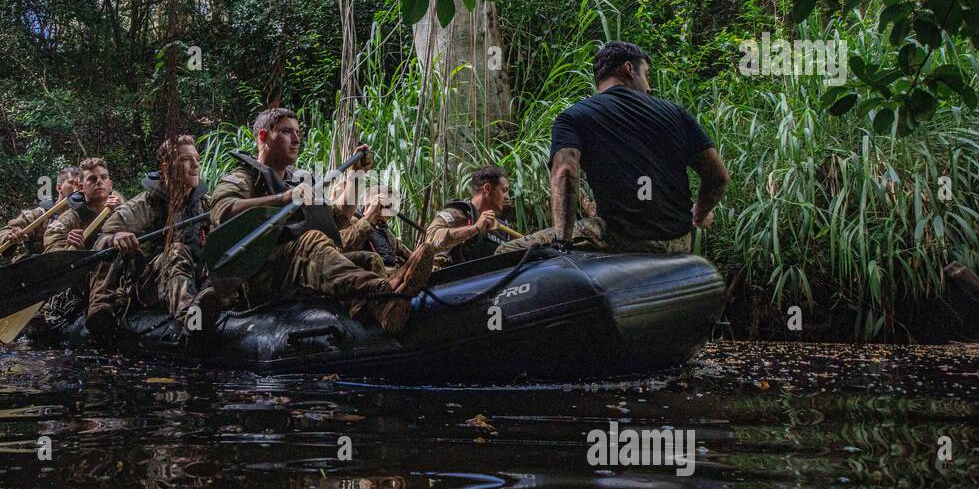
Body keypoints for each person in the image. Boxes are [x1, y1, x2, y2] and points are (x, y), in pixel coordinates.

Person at [209, 107, 436, 333]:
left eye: (298, 132)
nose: (297, 139)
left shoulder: (298, 180)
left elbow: (338, 218)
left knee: (368, 259)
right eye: (287, 132)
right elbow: (222, 210)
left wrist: (357, 175)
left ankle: (383, 308)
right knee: (312, 240)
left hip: (298, 267)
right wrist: (282, 198)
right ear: (264, 137)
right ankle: (385, 292)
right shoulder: (243, 177)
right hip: (261, 273)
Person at [548, 40, 730, 253]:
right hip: (678, 241)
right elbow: (718, 177)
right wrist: (697, 217)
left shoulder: (573, 117)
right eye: (647, 74)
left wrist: (563, 241)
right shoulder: (676, 113)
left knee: (507, 249)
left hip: (620, 237)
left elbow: (565, 172)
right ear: (629, 69)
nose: (649, 85)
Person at [99, 134, 217, 331]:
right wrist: (115, 237)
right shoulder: (146, 204)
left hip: (195, 276)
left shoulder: (205, 203)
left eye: (197, 159)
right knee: (176, 250)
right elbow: (103, 238)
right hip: (148, 285)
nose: (195, 165)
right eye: (186, 160)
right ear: (166, 168)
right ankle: (191, 317)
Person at [42, 157, 136, 333]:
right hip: (84, 281)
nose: (99, 182)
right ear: (81, 187)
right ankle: (99, 313)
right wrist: (72, 247)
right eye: (92, 179)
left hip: (124, 274)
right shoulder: (69, 218)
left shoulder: (127, 209)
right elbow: (51, 257)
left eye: (103, 178)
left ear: (110, 183)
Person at [425, 165, 555, 267]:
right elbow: (431, 240)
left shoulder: (502, 228)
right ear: (487, 188)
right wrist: (475, 228)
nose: (507, 198)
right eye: (504, 191)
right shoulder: (460, 213)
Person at [0, 165, 81, 260]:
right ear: (59, 188)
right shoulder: (40, 215)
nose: (78, 189)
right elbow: (4, 232)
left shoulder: (84, 214)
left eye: (81, 185)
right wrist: (9, 236)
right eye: (73, 183)